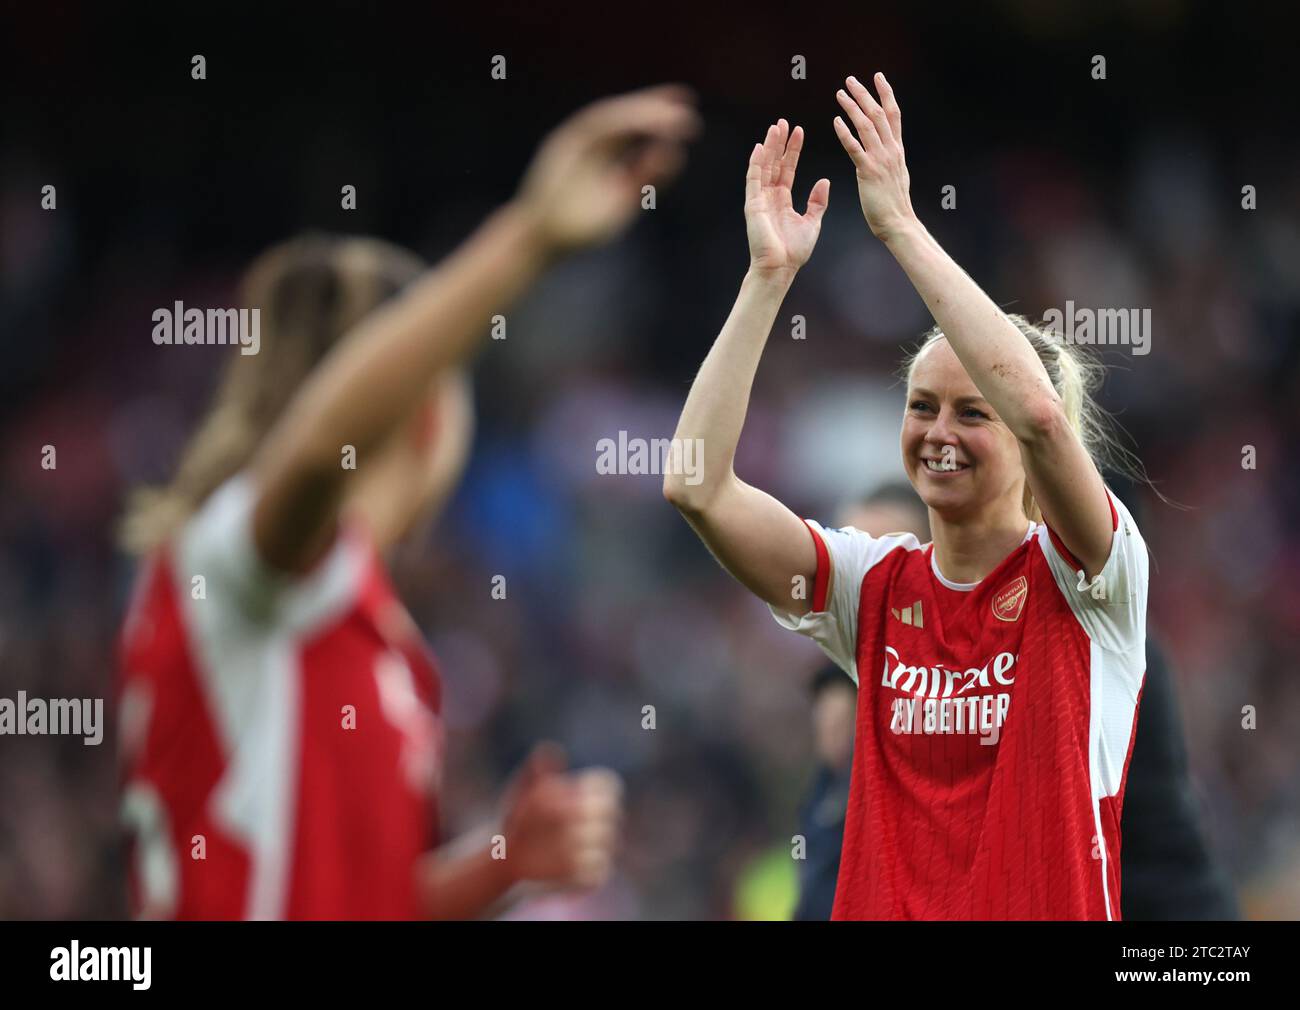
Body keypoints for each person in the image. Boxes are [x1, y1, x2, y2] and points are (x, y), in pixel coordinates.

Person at [115, 85, 700, 919]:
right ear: (427, 411)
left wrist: (499, 864)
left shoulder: (352, 622)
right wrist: (529, 236)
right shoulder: (250, 569)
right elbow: (320, 449)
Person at [665, 73, 1149, 919]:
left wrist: (898, 226)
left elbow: (1036, 411)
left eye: (973, 413)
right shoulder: (874, 589)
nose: (939, 433)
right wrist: (767, 280)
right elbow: (695, 485)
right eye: (921, 406)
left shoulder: (1094, 580)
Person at [793, 485, 929, 922]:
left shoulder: (946, 731)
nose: (862, 579)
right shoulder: (834, 727)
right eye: (850, 550)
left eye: (884, 562)